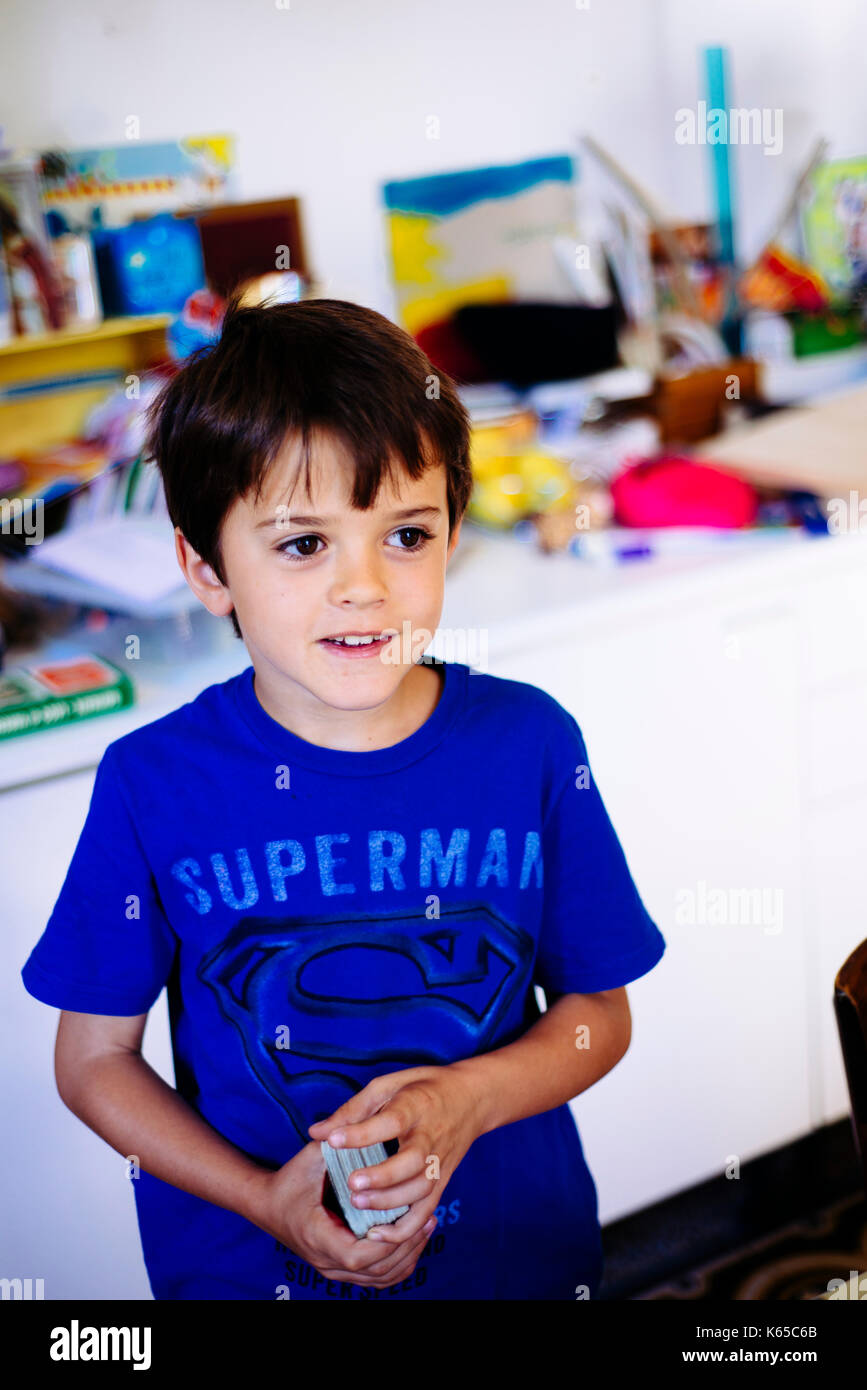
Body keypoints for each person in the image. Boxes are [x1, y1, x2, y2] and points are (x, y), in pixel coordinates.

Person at [21, 294, 665, 1301]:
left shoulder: (530, 743)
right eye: (302, 543)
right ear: (205, 566)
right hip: (249, 1273)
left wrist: (469, 1098)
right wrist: (260, 1196)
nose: (364, 585)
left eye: (405, 534)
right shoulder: (154, 784)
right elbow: (93, 1059)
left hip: (512, 1262)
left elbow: (599, 1014)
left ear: (453, 530)